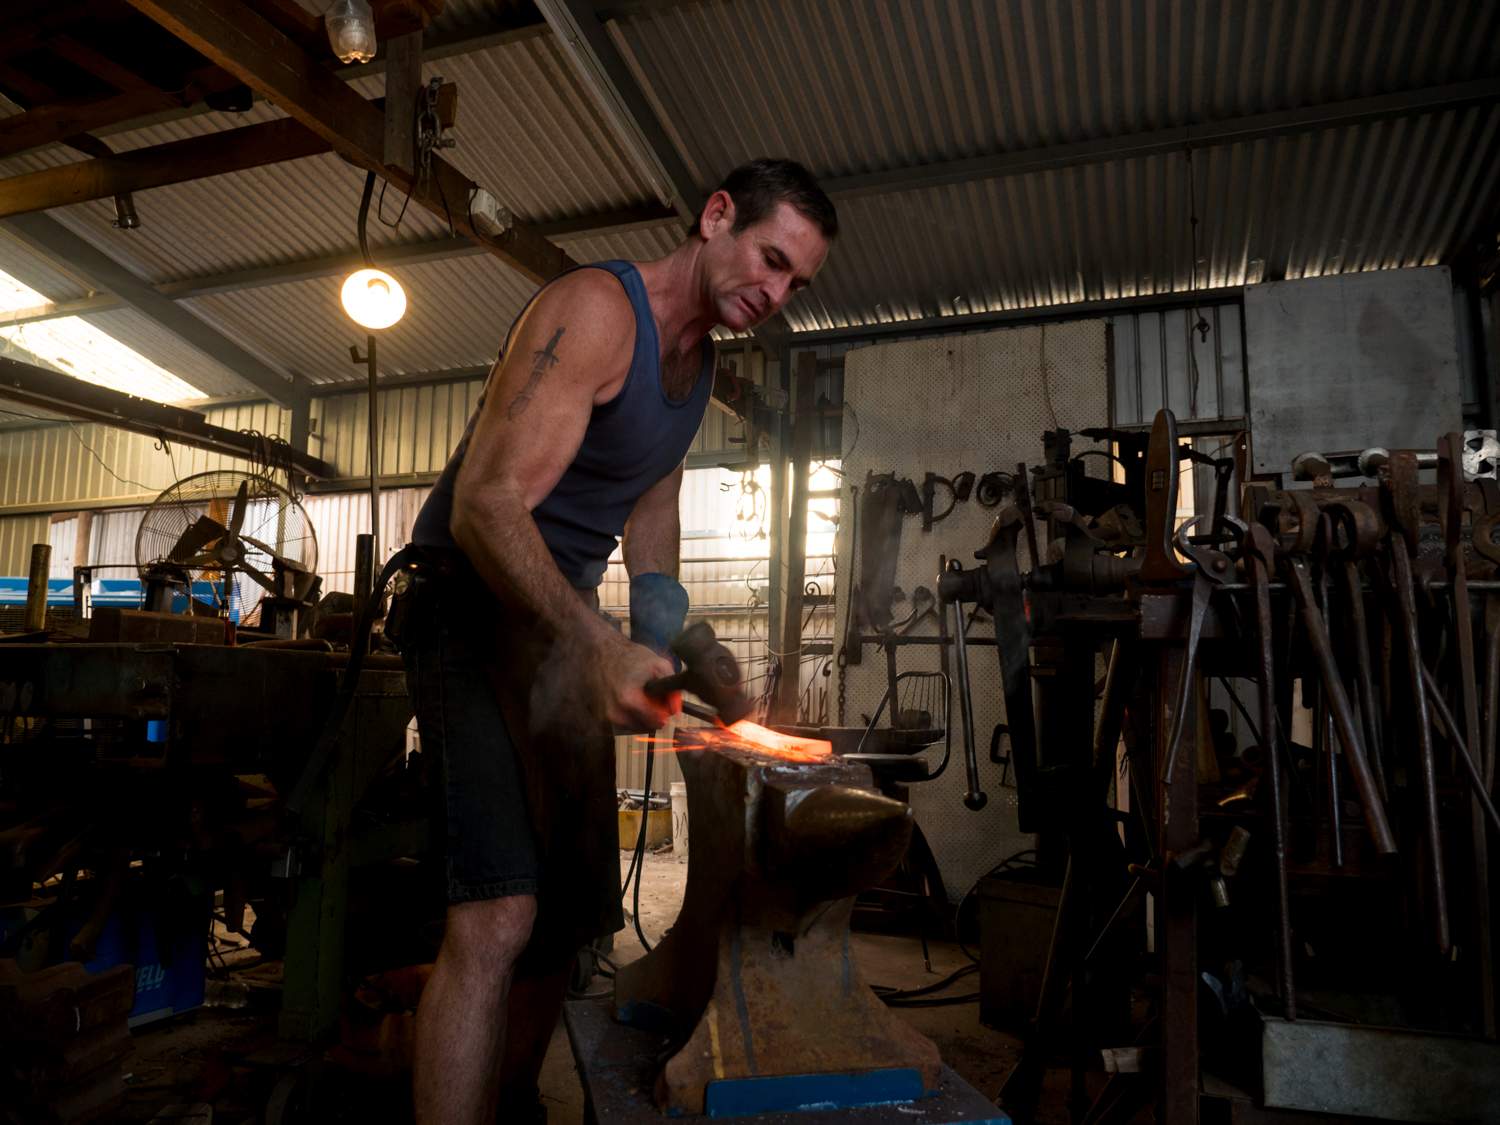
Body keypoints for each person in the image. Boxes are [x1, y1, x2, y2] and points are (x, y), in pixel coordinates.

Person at [397, 157, 837, 1124]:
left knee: (573, 911)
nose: (775, 292)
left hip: (557, 629)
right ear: (716, 216)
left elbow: (652, 505)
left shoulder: (701, 361)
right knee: (500, 910)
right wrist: (595, 645)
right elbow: (485, 501)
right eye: (769, 259)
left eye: (795, 282)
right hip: (467, 605)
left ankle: (508, 1103)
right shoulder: (596, 312)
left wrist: (669, 638)